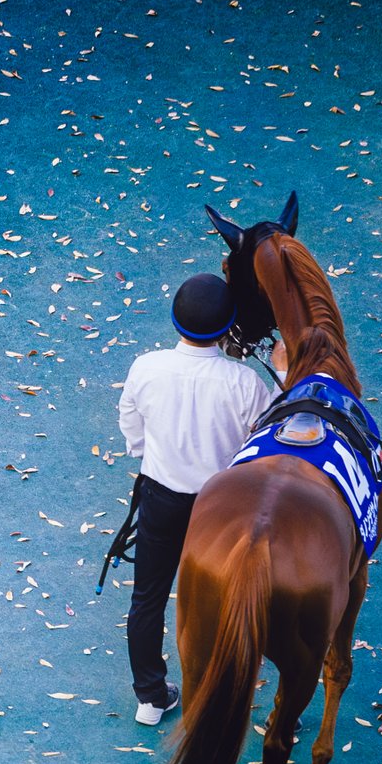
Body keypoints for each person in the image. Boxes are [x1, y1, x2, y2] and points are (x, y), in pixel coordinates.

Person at [118, 273, 286, 725]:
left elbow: (131, 429)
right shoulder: (246, 384)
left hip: (161, 498)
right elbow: (271, 431)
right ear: (228, 325)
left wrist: (149, 450)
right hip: (223, 509)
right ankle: (224, 689)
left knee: (148, 597)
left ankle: (150, 698)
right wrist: (284, 372)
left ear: (176, 320)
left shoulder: (145, 368)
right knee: (233, 599)